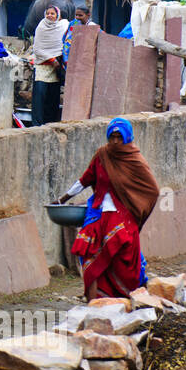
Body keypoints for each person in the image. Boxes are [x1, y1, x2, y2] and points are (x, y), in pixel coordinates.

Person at [58, 117, 160, 300]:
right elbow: (85, 179)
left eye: (119, 137)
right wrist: (63, 198)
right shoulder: (102, 155)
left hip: (122, 214)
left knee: (122, 251)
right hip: (97, 212)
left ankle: (127, 293)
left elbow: (152, 189)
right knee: (88, 251)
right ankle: (94, 299)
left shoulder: (134, 159)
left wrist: (137, 208)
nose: (115, 142)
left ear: (127, 137)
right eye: (111, 137)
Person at [31, 4, 68, 125]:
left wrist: (57, 61)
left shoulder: (63, 26)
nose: (49, 16)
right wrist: (52, 60)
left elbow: (64, 44)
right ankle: (37, 124)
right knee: (39, 98)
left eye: (52, 13)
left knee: (53, 98)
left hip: (55, 70)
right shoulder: (41, 27)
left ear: (58, 15)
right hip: (43, 67)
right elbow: (37, 49)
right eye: (48, 13)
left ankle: (50, 123)